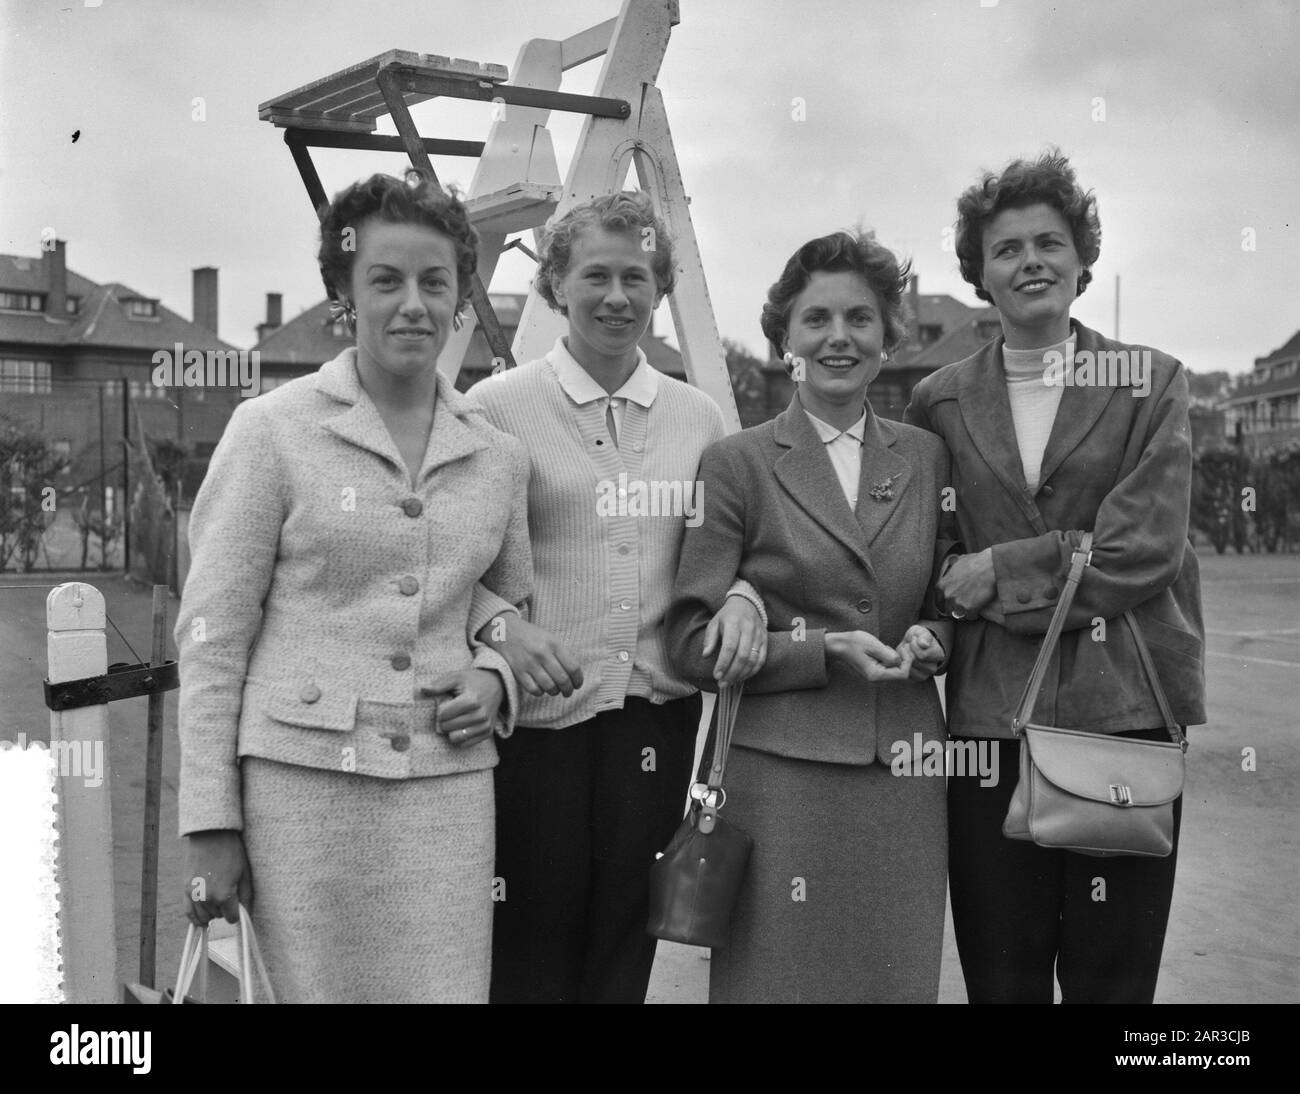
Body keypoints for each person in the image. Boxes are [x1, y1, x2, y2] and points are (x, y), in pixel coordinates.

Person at [175, 171, 531, 1003]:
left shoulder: (497, 451)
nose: (414, 304)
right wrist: (210, 823)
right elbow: (213, 637)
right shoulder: (271, 431)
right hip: (303, 795)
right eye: (386, 280)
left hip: (448, 794)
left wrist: (498, 676)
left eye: (434, 282)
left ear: (461, 298)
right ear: (345, 293)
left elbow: (512, 608)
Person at [905, 149, 1207, 1004]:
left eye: (1049, 242)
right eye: (1006, 249)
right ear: (980, 274)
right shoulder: (938, 400)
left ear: (1082, 261)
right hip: (988, 724)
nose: (1030, 261)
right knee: (1001, 972)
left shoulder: (1153, 383)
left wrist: (1000, 569)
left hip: (1122, 716)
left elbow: (1140, 549)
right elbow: (934, 560)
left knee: (1114, 979)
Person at [465, 190, 766, 1004]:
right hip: (539, 727)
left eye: (637, 277)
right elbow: (445, 562)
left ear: (661, 288)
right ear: (555, 283)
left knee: (622, 953)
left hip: (656, 723)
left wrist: (743, 596)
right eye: (594, 274)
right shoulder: (495, 409)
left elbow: (729, 547)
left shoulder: (698, 418)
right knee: (530, 946)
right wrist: (498, 627)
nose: (616, 297)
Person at [665, 230, 955, 1003]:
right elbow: (692, 644)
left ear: (888, 336)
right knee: (779, 984)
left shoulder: (926, 459)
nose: (839, 338)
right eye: (816, 319)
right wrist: (821, 650)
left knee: (890, 981)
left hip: (904, 776)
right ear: (784, 337)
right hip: (781, 780)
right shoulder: (737, 463)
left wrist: (936, 637)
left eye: (860, 319)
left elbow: (946, 597)